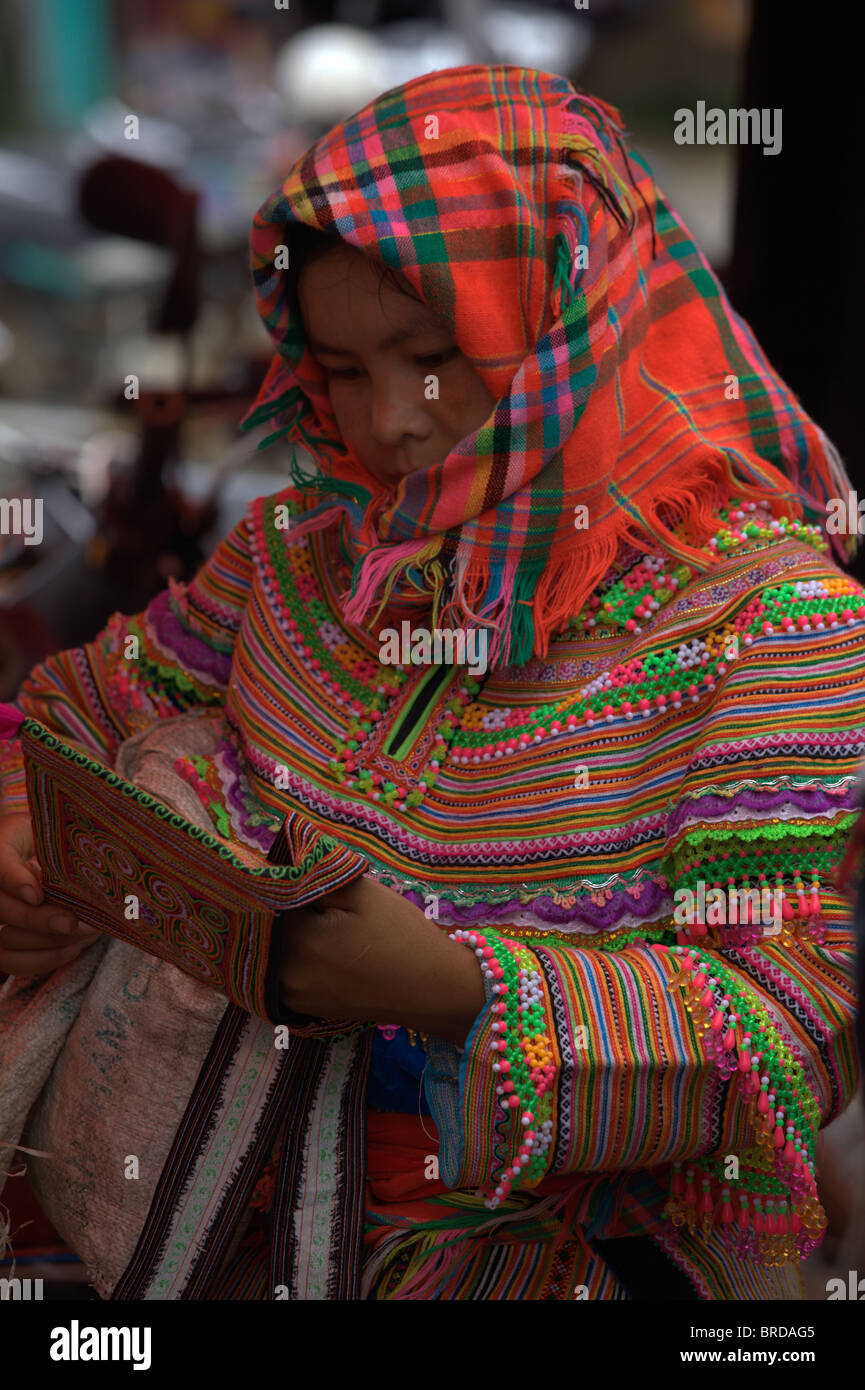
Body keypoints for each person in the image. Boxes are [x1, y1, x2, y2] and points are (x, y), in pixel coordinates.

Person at [0, 63, 862, 1301]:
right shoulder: (298, 556)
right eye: (344, 369)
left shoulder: (772, 629)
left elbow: (786, 1036)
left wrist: (457, 995)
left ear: (579, 320)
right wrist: (30, 832)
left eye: (435, 356)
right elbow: (84, 709)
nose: (391, 422)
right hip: (193, 1234)